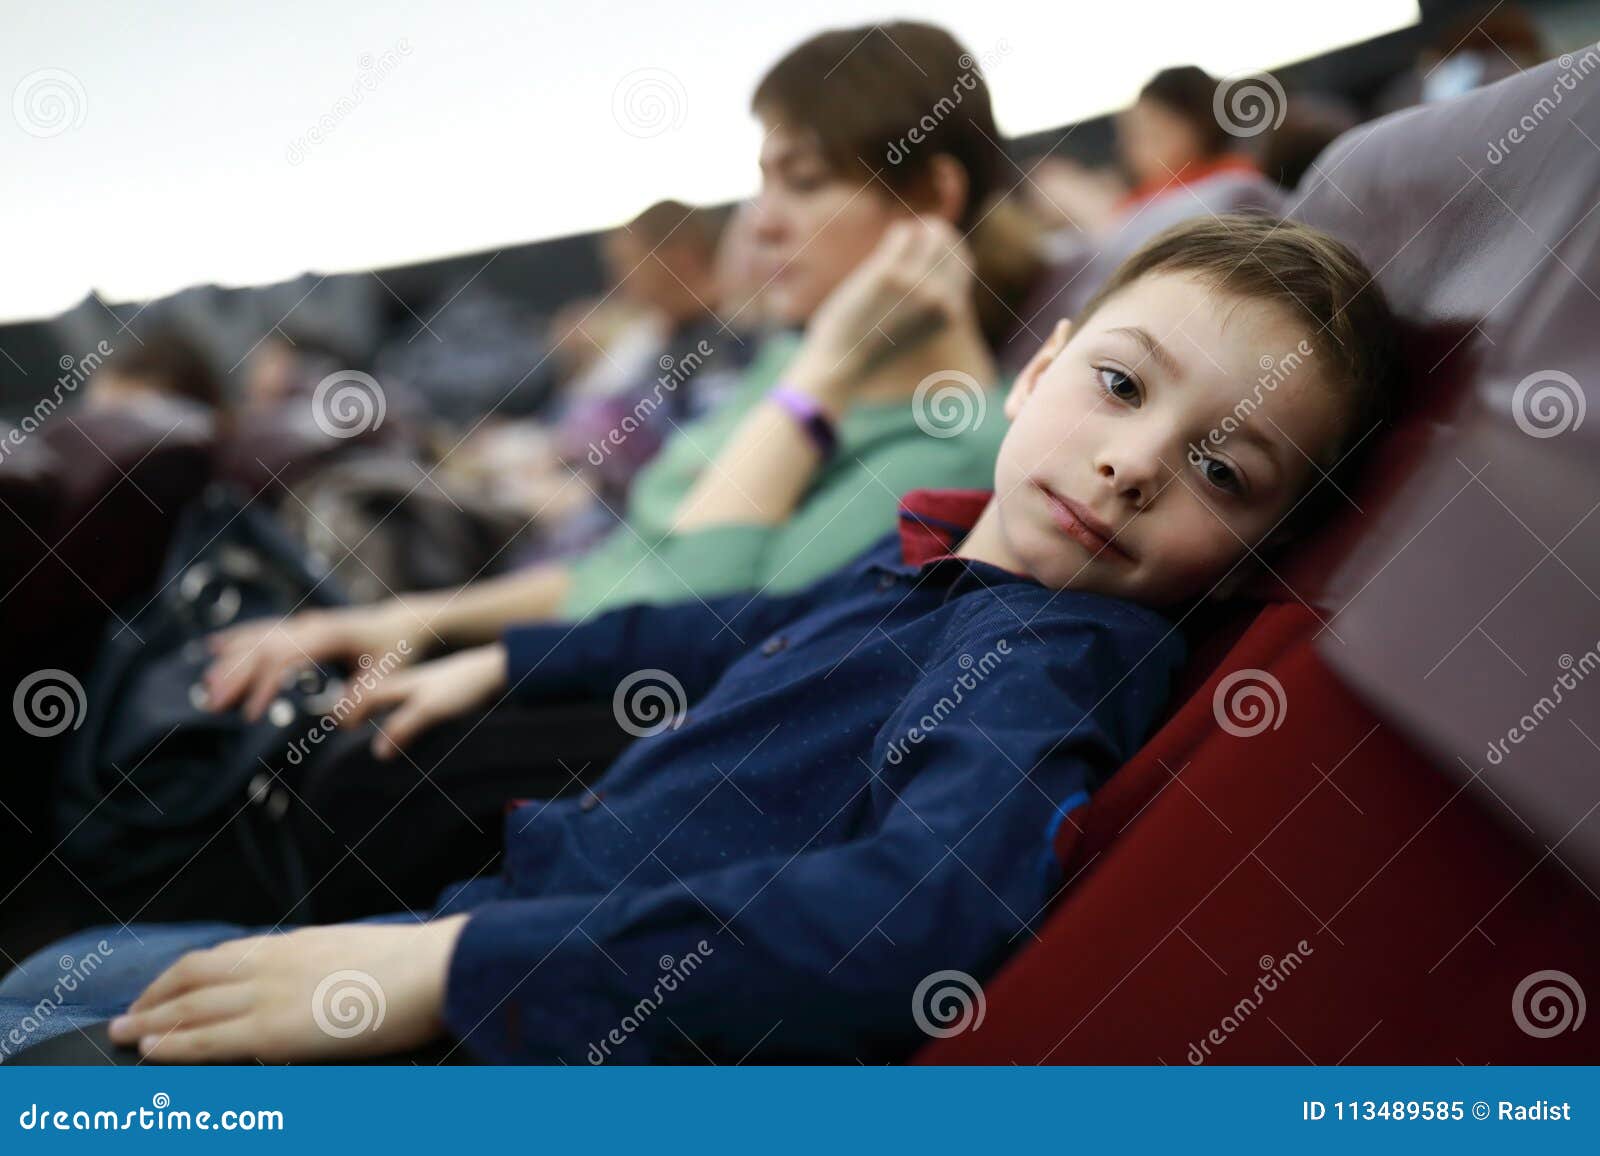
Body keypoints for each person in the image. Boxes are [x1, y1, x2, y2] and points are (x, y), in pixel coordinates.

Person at [0, 213, 1404, 1063]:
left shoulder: (1054, 658)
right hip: (491, 935)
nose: (1133, 465)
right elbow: (748, 617)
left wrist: (455, 972)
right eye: (1117, 386)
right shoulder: (939, 555)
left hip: (535, 1023)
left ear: (1259, 547)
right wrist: (506, 657)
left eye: (1225, 471)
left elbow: (919, 918)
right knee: (49, 979)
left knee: (44, 1052)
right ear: (1040, 368)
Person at [198, 21, 1042, 731]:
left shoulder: (959, 446)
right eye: (762, 183)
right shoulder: (789, 362)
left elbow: (689, 618)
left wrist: (820, 374)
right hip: (556, 657)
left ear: (931, 197)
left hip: (603, 724)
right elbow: (622, 571)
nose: (763, 220)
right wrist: (413, 616)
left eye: (806, 182)